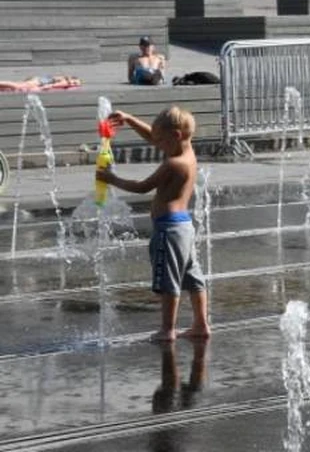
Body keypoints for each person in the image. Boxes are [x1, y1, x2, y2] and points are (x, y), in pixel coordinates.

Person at [96, 106, 211, 342]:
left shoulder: (173, 163)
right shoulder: (187, 153)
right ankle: (201, 324)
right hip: (184, 227)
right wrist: (130, 119)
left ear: (175, 136)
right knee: (193, 277)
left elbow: (142, 187)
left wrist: (111, 179)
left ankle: (167, 329)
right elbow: (153, 136)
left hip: (168, 230)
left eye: (161, 140)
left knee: (169, 280)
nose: (157, 144)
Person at [0, 75, 81, 92]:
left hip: (40, 81)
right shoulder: (65, 82)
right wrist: (41, 88)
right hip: (41, 82)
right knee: (17, 86)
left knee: (13, 88)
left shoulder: (63, 81)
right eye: (74, 82)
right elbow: (50, 85)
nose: (73, 84)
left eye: (76, 84)